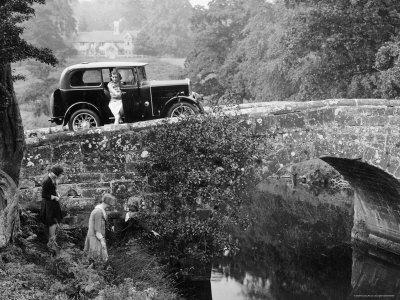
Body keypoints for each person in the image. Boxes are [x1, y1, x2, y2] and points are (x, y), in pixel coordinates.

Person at [84, 193, 116, 262]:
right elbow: (97, 229)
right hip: (95, 238)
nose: (111, 206)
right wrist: (102, 241)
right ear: (109, 203)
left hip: (97, 237)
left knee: (97, 261)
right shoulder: (98, 211)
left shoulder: (101, 210)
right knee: (96, 260)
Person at [41, 165, 64, 251]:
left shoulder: (52, 178)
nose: (61, 176)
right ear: (56, 173)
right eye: (60, 174)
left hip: (52, 204)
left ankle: (52, 242)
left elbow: (52, 189)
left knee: (53, 222)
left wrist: (57, 193)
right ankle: (51, 243)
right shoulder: (47, 180)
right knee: (52, 222)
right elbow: (44, 195)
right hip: (49, 204)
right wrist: (54, 197)